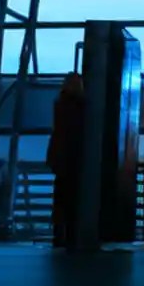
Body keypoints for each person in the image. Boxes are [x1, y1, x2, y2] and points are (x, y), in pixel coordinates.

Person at [47, 72, 85, 249]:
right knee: (71, 198)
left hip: (61, 159)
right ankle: (70, 234)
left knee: (61, 198)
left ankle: (60, 234)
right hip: (72, 159)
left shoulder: (60, 104)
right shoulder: (79, 107)